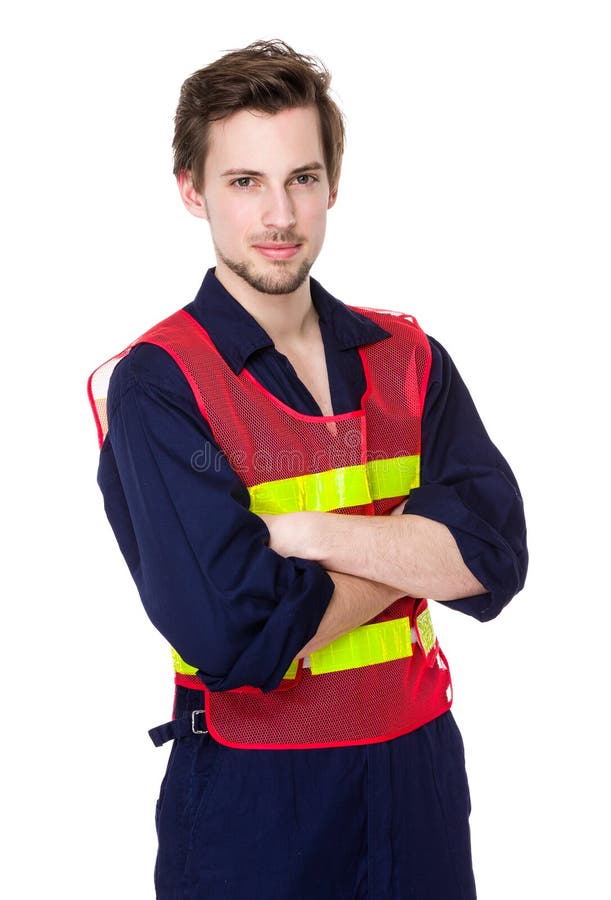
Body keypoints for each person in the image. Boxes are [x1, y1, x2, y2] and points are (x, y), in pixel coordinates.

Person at [88, 38, 527, 900]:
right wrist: (408, 557)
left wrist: (309, 535)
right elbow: (233, 636)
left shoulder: (410, 357)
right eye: (244, 182)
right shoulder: (159, 383)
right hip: (256, 799)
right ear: (192, 191)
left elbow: (496, 558)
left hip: (418, 777)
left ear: (332, 184)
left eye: (301, 177)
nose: (279, 214)